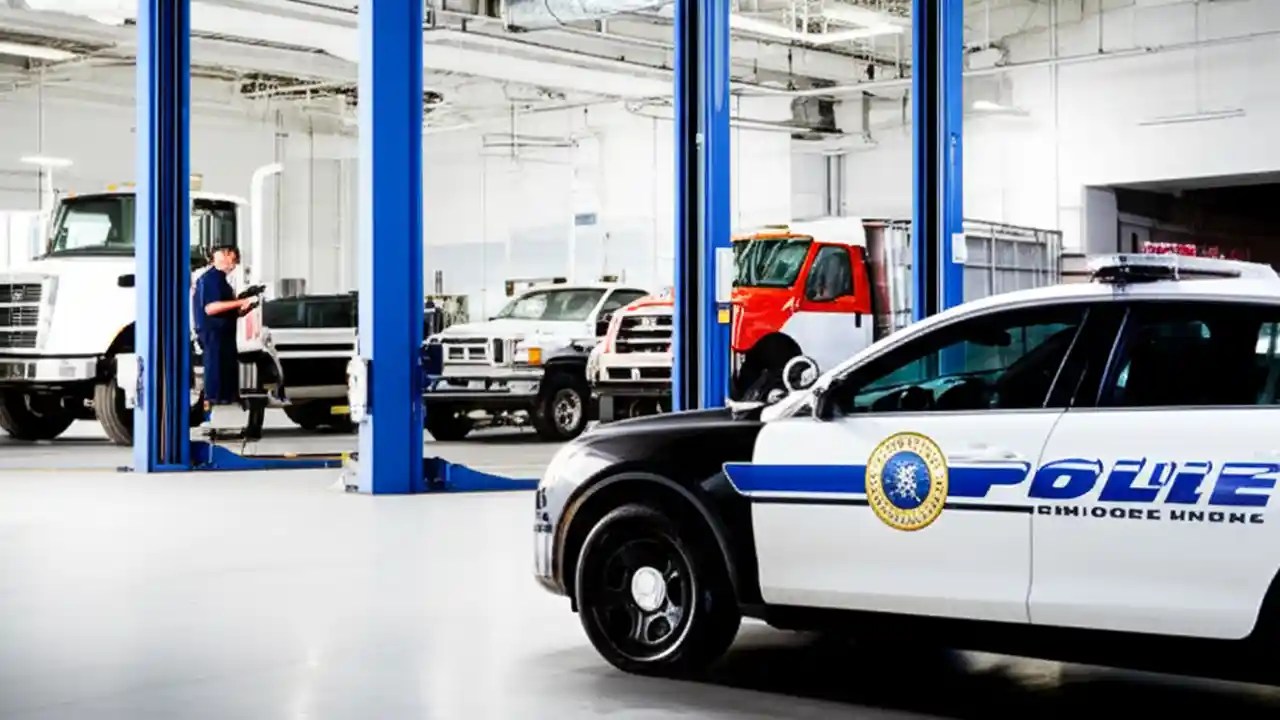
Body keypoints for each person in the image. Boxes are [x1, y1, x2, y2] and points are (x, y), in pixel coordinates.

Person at [193, 246, 255, 407]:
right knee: (217, 370)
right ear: (222, 255)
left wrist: (244, 308)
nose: (234, 263)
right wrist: (240, 302)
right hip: (215, 333)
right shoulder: (211, 279)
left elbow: (227, 310)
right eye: (232, 257)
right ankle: (216, 402)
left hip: (223, 334)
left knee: (226, 369)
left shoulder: (220, 279)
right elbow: (211, 308)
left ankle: (225, 399)